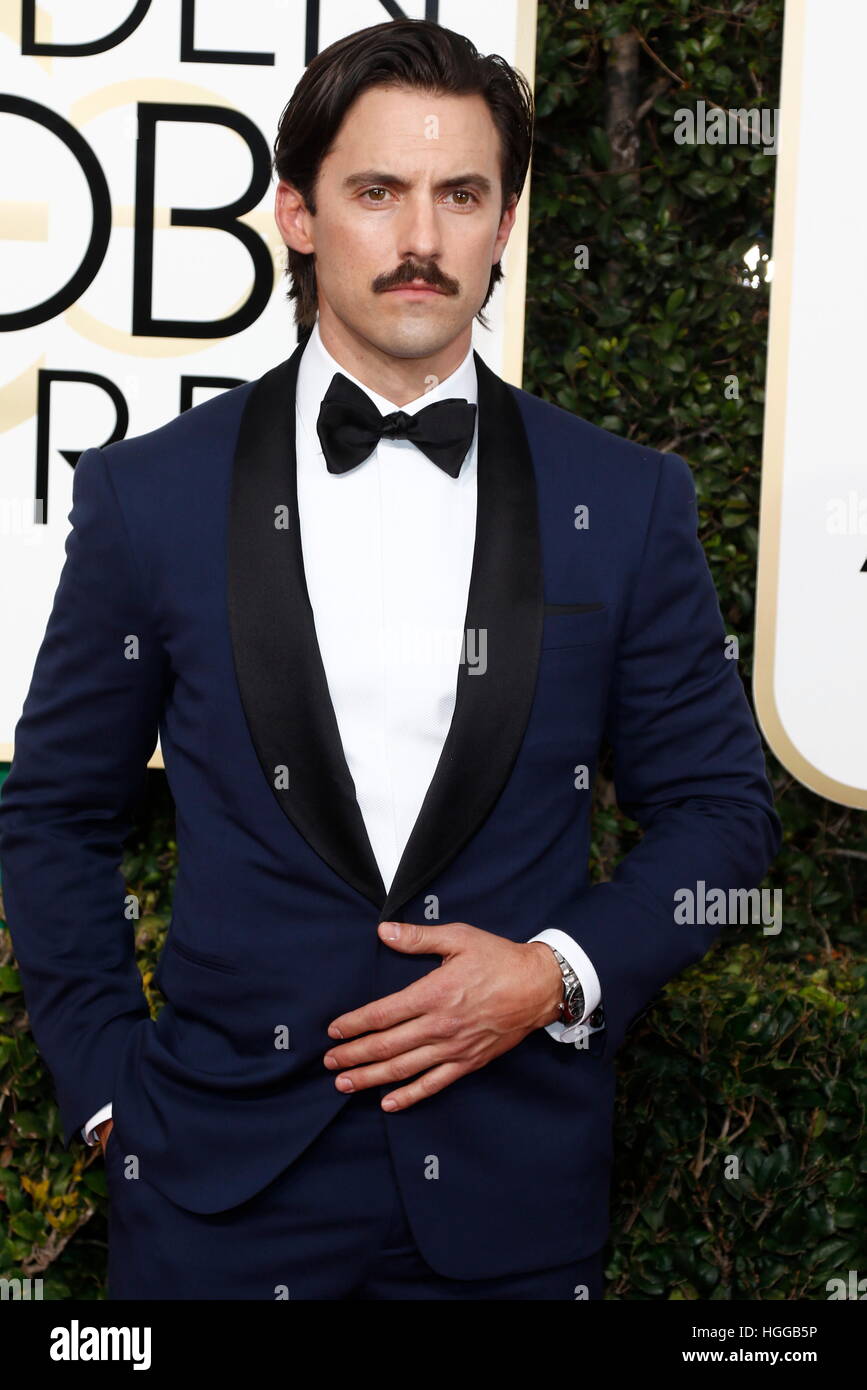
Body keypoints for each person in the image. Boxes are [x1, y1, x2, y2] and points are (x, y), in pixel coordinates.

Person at [0, 19, 781, 1300]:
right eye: (378, 191)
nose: (421, 238)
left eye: (460, 194)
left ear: (505, 224)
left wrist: (553, 974)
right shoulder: (153, 497)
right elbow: (57, 811)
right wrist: (106, 1097)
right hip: (214, 1195)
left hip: (510, 1203)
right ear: (298, 215)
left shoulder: (625, 500)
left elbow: (719, 813)